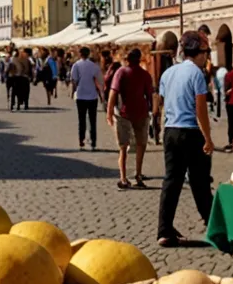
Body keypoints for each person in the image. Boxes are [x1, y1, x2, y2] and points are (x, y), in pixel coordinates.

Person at [155, 31, 215, 248]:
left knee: (171, 181)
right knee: (200, 182)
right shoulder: (197, 74)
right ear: (199, 53)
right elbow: (200, 110)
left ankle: (164, 230)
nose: (206, 57)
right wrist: (207, 138)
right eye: (206, 52)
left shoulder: (168, 73)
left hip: (171, 131)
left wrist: (160, 127)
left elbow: (161, 103)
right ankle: (214, 226)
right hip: (191, 132)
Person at [107, 48, 153, 190]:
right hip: (141, 112)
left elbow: (113, 93)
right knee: (141, 145)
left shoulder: (121, 72)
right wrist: (152, 111)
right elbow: (150, 95)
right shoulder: (145, 74)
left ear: (127, 60)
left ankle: (123, 177)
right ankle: (138, 175)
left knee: (123, 147)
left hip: (124, 113)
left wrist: (109, 112)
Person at [70, 46, 104, 150]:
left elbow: (74, 80)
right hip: (92, 96)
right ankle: (93, 143)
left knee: (81, 120)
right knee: (93, 120)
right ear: (89, 54)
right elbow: (100, 81)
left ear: (80, 54)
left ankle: (82, 141)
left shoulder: (76, 65)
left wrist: (73, 92)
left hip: (80, 95)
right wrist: (101, 95)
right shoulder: (94, 66)